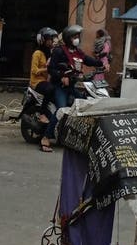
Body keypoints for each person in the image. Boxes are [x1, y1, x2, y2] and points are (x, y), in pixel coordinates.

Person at [40, 25, 98, 153]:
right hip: (59, 87)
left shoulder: (77, 51)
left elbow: (87, 60)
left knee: (84, 104)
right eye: (74, 36)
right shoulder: (59, 51)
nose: (77, 39)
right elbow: (51, 69)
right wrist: (61, 77)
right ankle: (46, 137)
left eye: (78, 36)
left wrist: (101, 63)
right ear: (68, 38)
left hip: (71, 87)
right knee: (62, 110)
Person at [29, 28, 57, 123]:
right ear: (43, 40)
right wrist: (47, 69)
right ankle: (42, 113)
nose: (51, 41)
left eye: (52, 39)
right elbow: (34, 70)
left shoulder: (49, 53)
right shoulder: (37, 53)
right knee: (50, 89)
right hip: (36, 82)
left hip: (45, 81)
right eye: (49, 39)